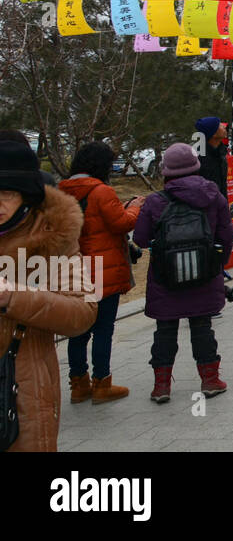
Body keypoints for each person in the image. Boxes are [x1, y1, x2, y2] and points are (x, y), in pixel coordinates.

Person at [0, 139, 98, 450]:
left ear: (27, 195)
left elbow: (84, 312)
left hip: (22, 391)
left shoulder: (56, 237)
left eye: (7, 194)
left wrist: (13, 296)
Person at [134, 143, 233, 403]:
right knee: (202, 327)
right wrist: (215, 266)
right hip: (204, 275)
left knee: (165, 330)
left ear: (167, 170)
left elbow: (142, 239)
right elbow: (226, 237)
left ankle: (161, 386)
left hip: (165, 279)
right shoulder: (214, 197)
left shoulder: (155, 201)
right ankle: (210, 380)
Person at [58, 142, 142, 404]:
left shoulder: (59, 191)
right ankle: (102, 384)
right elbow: (122, 223)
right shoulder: (101, 191)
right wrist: (135, 206)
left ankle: (78, 385)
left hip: (72, 270)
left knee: (77, 330)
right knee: (103, 330)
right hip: (102, 271)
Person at [193, 116, 228, 192]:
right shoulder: (199, 157)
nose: (224, 126)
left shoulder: (222, 151)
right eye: (219, 125)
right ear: (213, 134)